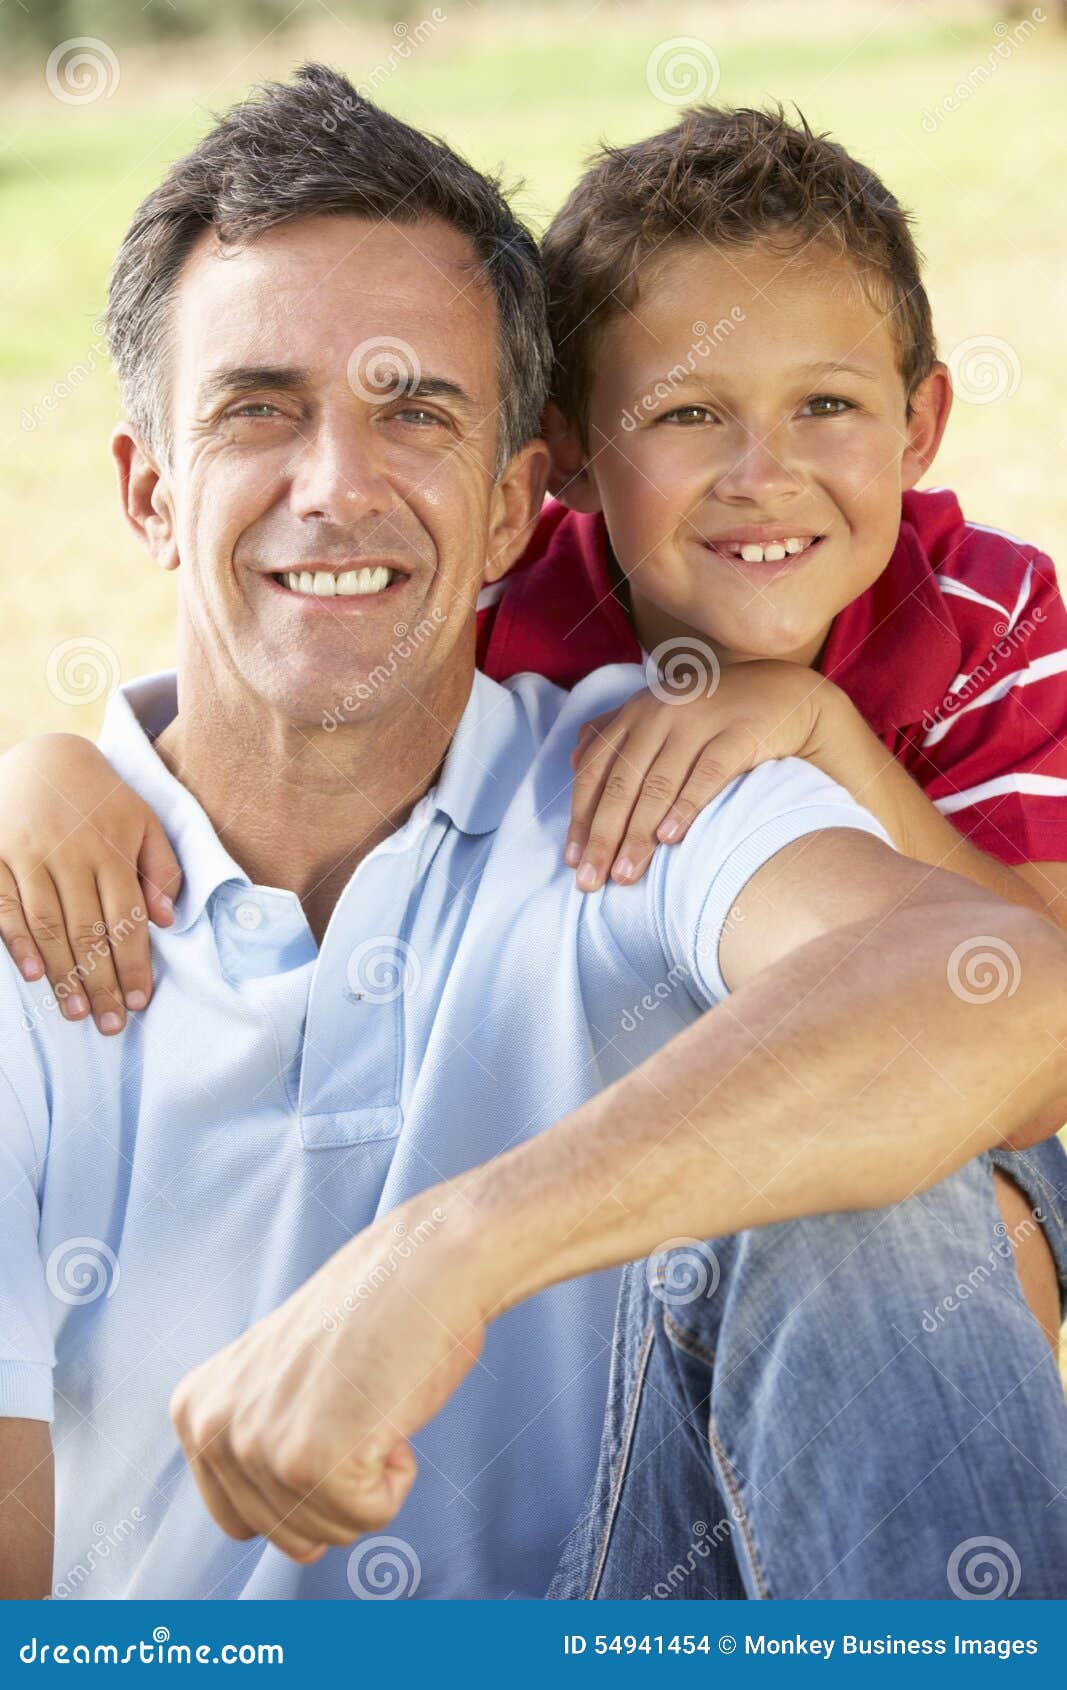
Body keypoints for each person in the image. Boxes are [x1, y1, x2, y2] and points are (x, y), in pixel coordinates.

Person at [1, 70, 1066, 1601]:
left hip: (622, 1612)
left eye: (414, 411)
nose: (339, 485)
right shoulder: (40, 905)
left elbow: (1012, 988)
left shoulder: (646, 766)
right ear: (149, 489)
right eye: (258, 410)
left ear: (512, 503)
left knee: (884, 1164)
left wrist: (450, 1250)